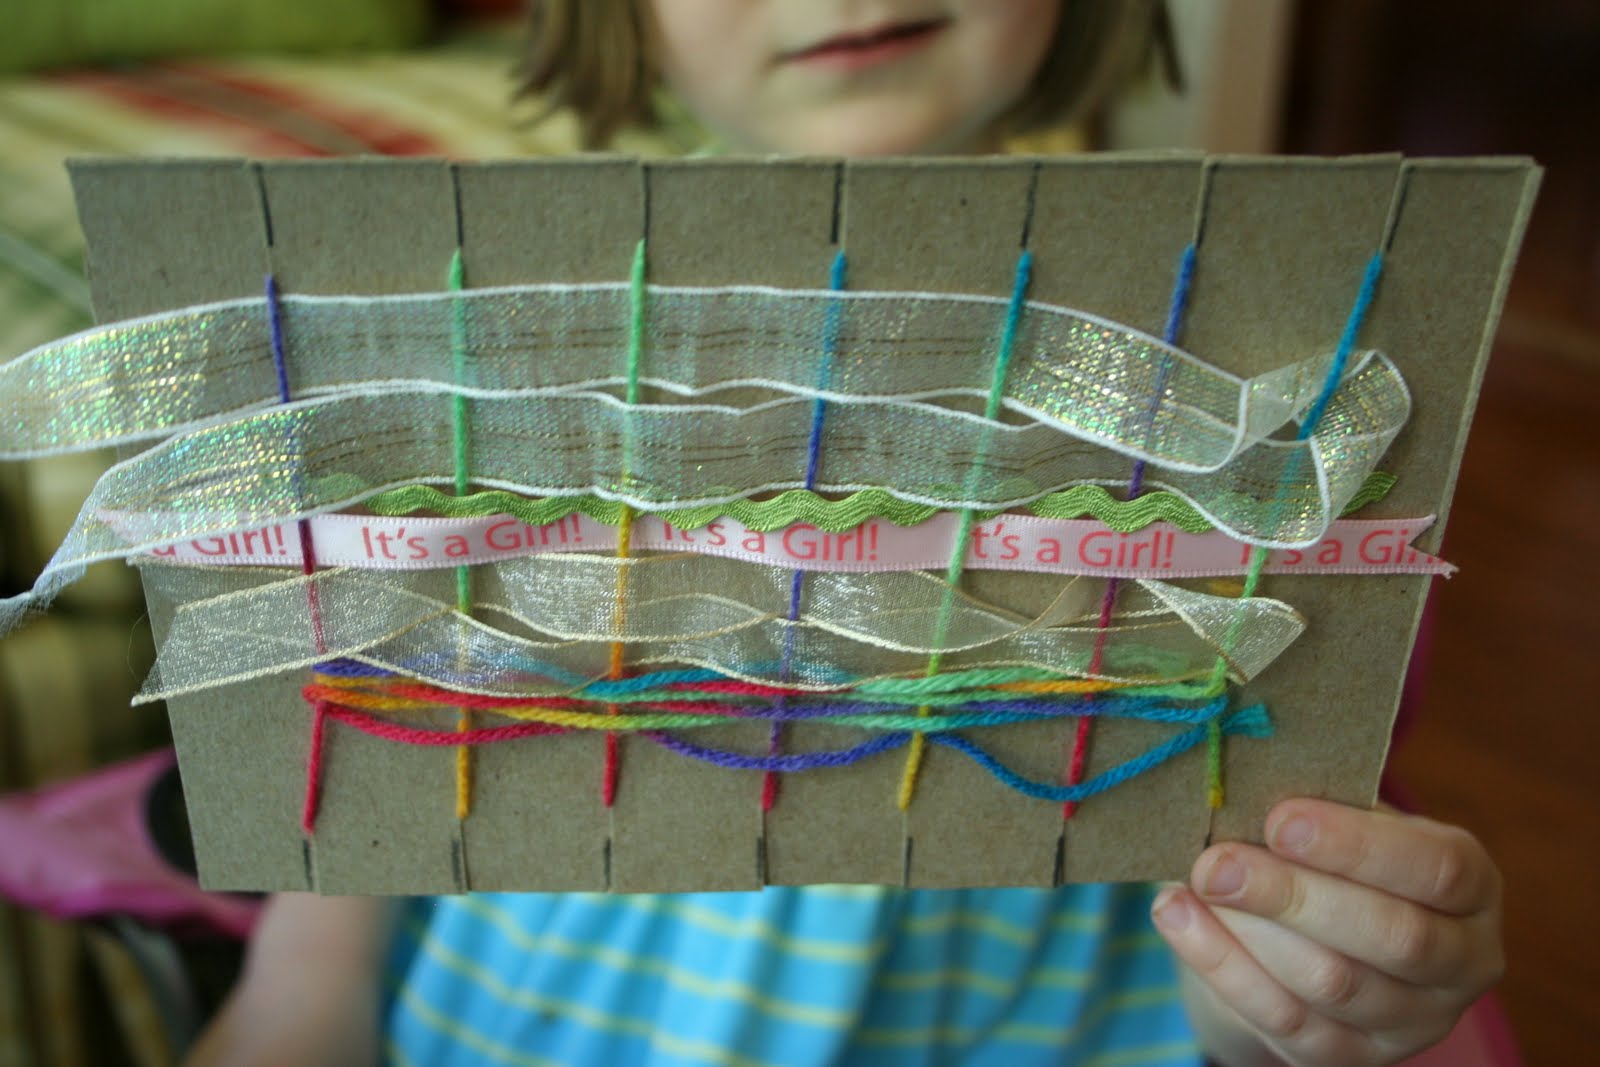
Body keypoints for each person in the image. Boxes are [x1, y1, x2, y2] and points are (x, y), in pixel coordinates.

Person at [186, 3, 1505, 1064]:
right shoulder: (498, 316)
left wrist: (1275, 1010)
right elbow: (389, 689)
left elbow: (1252, 853)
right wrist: (309, 986)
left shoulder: (1236, 345)